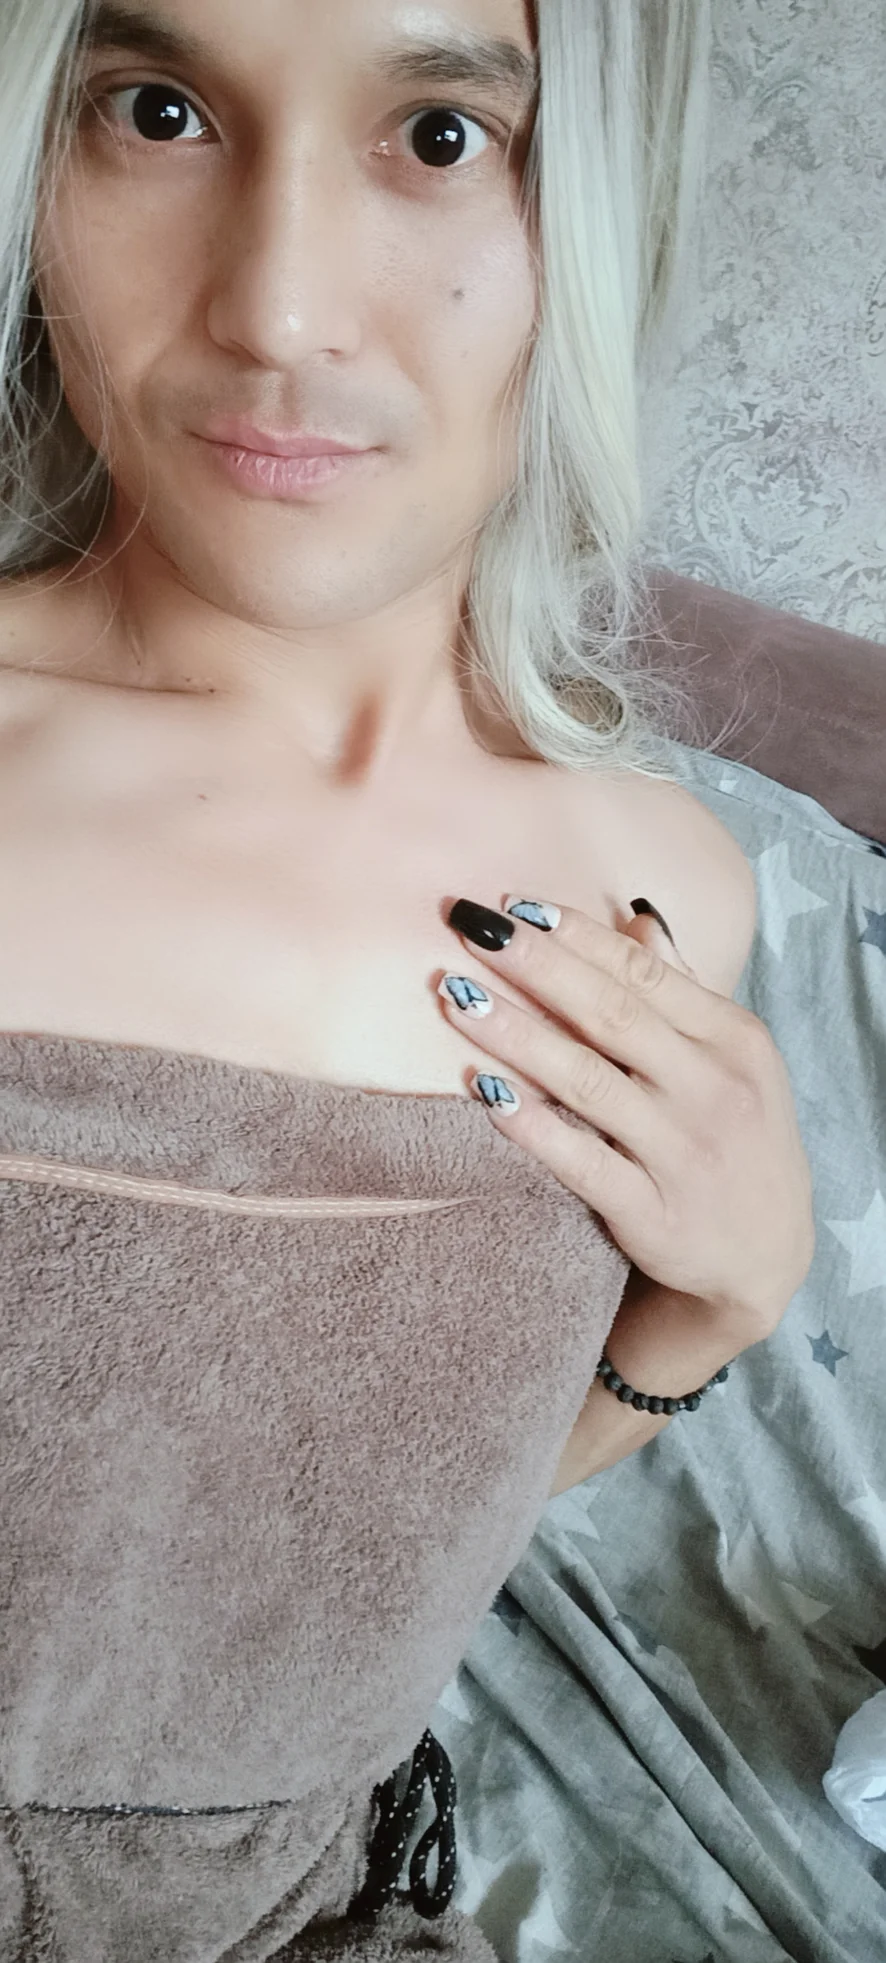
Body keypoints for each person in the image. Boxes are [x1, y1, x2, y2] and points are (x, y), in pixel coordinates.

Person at [0, 1, 811, 1955]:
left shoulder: (664, 904)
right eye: (158, 111)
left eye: (439, 136)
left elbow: (380, 1549)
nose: (278, 309)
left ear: (593, 205)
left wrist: (710, 1312)